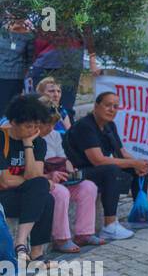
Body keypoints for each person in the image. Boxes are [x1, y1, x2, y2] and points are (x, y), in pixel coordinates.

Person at [64, 91, 148, 241]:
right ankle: (110, 225)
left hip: (98, 169)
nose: (112, 109)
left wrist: (139, 164)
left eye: (115, 106)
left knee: (138, 170)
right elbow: (97, 160)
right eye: (108, 105)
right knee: (112, 171)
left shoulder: (109, 125)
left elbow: (122, 152)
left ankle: (141, 216)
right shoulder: (85, 126)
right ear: (96, 106)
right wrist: (133, 162)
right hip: (79, 171)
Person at [1, 94, 56, 276]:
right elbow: (5, 181)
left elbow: (35, 176)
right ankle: (23, 246)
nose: (33, 130)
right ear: (14, 122)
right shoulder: (2, 138)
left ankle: (33, 252)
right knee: (41, 186)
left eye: (36, 125)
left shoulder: (36, 142)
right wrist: (30, 180)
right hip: (3, 197)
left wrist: (28, 144)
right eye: (28, 126)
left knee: (46, 196)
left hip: (23, 195)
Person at [35, 101, 103, 253]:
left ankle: (84, 233)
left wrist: (70, 171)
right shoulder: (31, 139)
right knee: (60, 192)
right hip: (44, 181)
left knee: (88, 187)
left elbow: (63, 158)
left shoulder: (54, 135)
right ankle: (62, 238)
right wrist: (49, 176)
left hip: (58, 175)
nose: (51, 128)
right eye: (48, 125)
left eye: (53, 124)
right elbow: (32, 172)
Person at [0, 17, 34, 111]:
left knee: (10, 108)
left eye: (20, 17)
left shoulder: (29, 36)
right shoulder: (3, 31)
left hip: (15, 79)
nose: (17, 20)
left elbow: (30, 58)